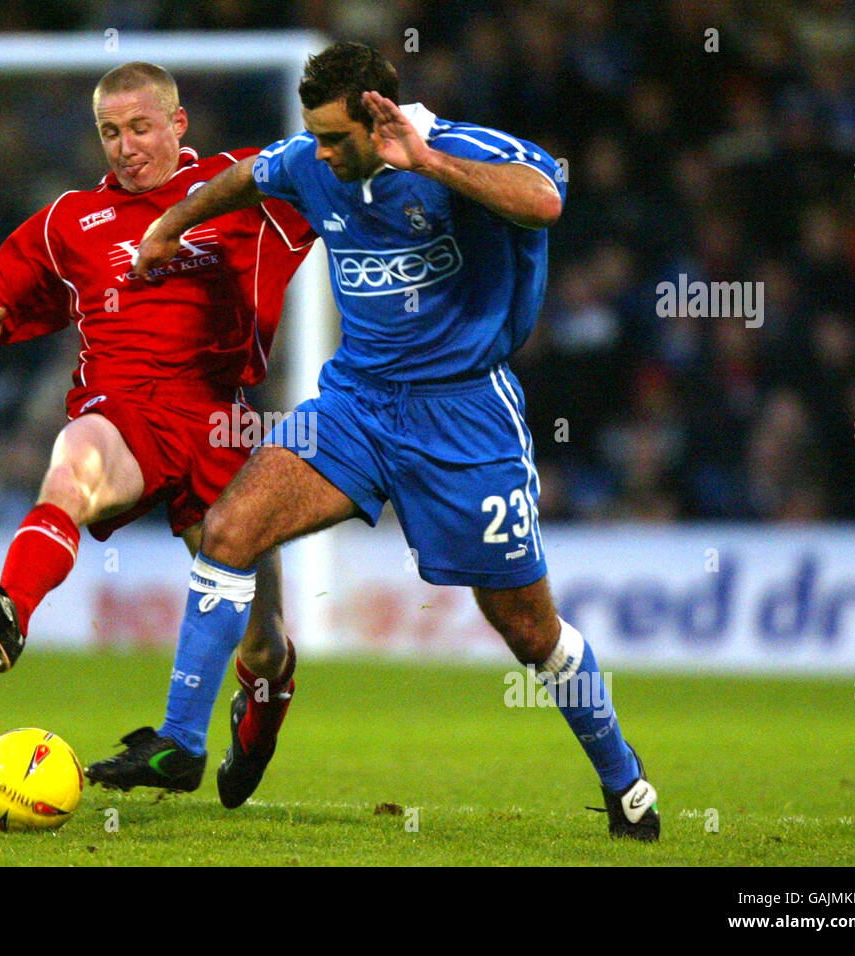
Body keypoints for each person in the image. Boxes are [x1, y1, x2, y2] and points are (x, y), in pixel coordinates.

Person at [130, 42, 660, 837]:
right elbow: (246, 177)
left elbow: (545, 199)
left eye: (337, 137)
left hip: (465, 418)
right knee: (230, 530)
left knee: (528, 631)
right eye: (315, 135)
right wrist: (170, 224)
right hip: (357, 405)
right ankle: (180, 740)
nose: (322, 152)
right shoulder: (313, 160)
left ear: (381, 116)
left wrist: (428, 163)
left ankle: (625, 783)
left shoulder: (461, 152)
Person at [0, 62, 315, 797]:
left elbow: (340, 186)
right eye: (110, 132)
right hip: (125, 412)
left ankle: (260, 711)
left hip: (223, 427)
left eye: (140, 127)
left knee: (264, 644)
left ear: (178, 124)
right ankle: (13, 610)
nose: (124, 146)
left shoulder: (243, 188)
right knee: (72, 465)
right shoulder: (68, 221)